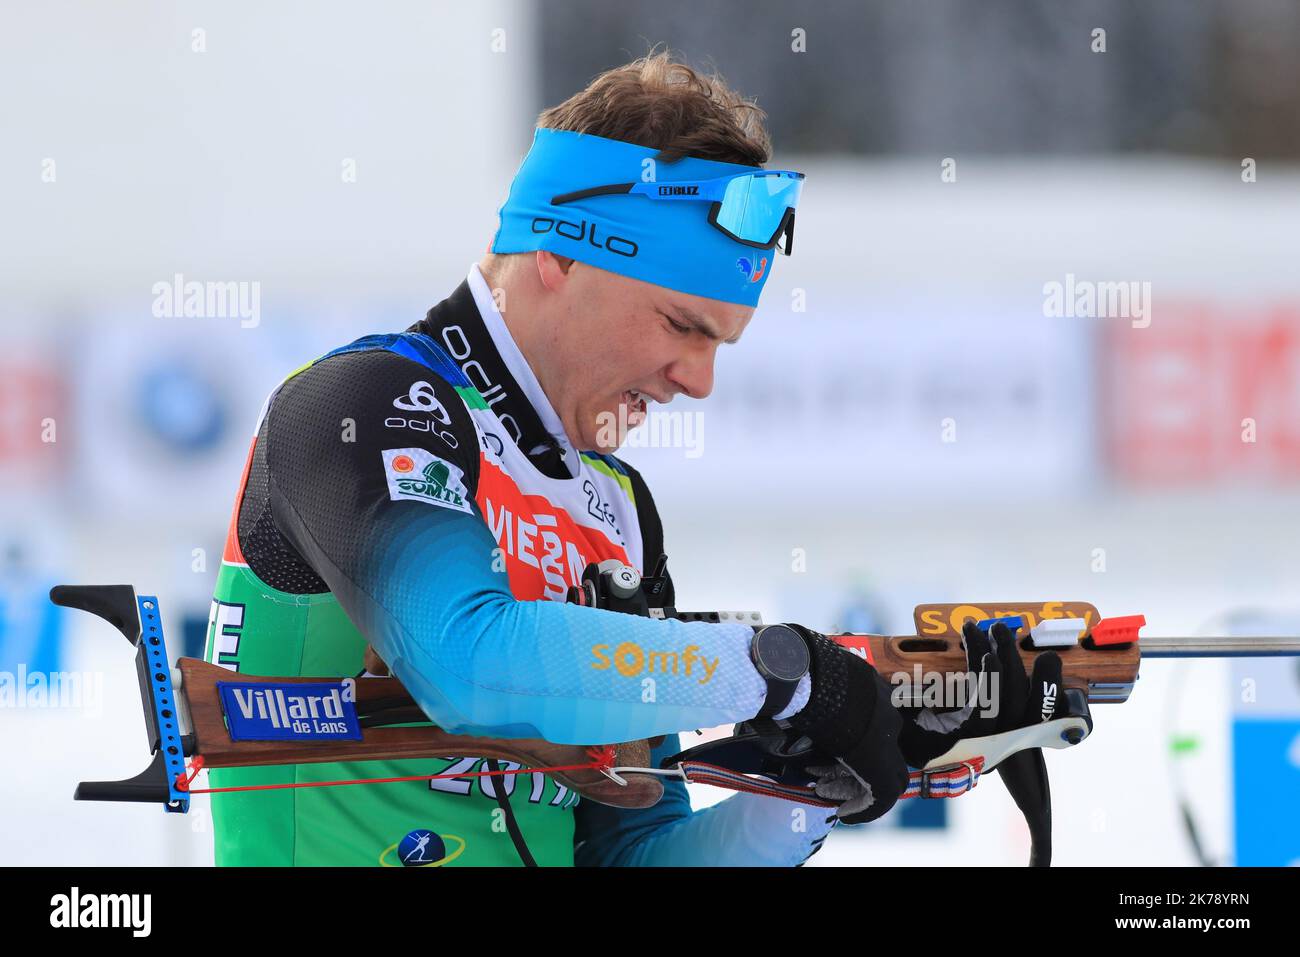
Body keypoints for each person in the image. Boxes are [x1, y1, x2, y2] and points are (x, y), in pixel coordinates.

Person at [202, 51, 912, 867]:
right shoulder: (363, 403)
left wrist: (816, 787)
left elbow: (635, 852)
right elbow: (467, 662)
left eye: (722, 344)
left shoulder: (616, 509)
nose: (700, 381)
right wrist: (777, 671)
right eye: (682, 324)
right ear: (562, 254)